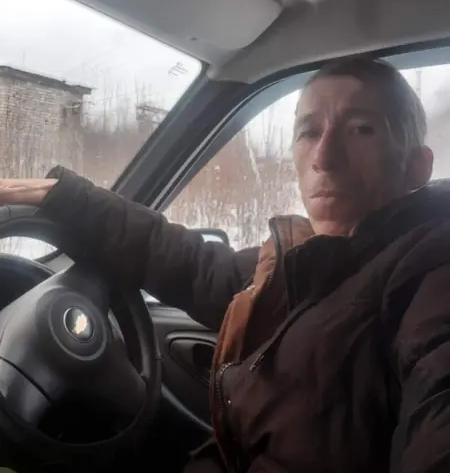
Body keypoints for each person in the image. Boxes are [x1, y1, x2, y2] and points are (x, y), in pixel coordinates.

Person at [1, 56, 449, 473]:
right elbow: (192, 263)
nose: (324, 157)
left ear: (417, 166)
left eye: (361, 130)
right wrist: (60, 197)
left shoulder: (432, 271)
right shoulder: (302, 260)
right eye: (308, 132)